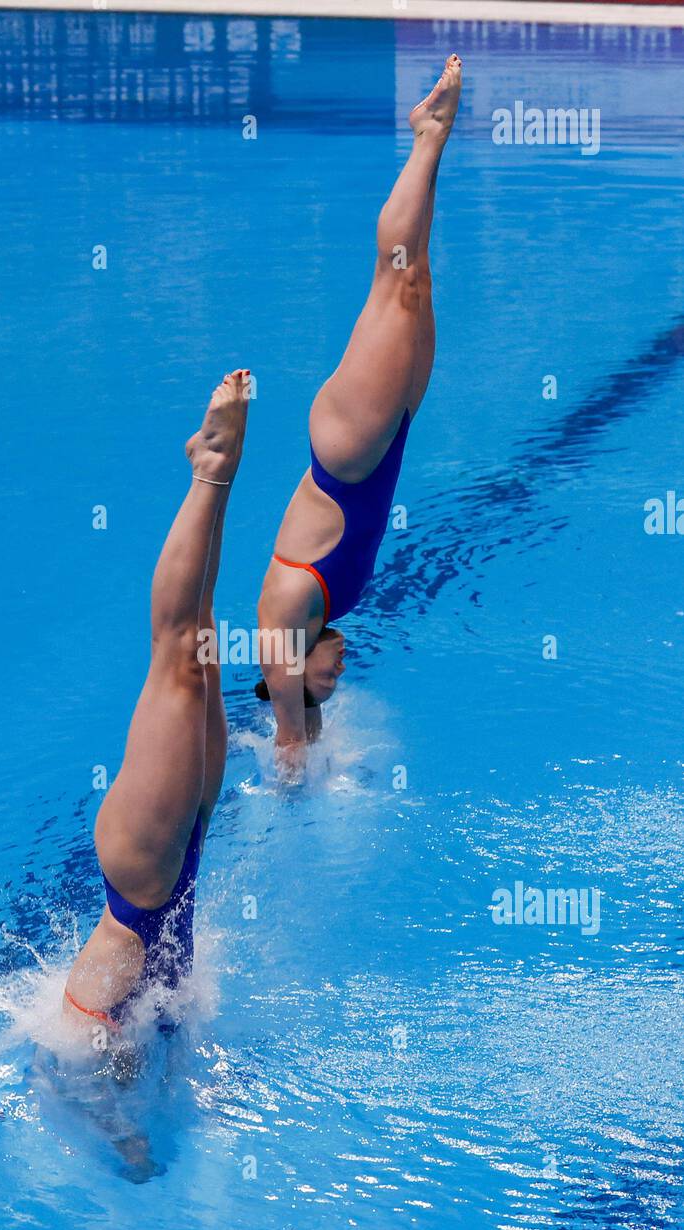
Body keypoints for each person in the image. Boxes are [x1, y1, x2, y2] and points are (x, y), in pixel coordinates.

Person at [255, 56, 462, 769]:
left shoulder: (284, 624)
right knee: (416, 278)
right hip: (383, 444)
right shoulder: (323, 615)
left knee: (394, 279)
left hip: (348, 451)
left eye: (326, 682)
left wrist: (293, 746)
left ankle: (427, 134)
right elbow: (303, 722)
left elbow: (289, 739)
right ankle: (433, 144)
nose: (340, 675)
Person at [63, 369, 250, 1039]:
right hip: (175, 865)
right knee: (196, 643)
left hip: (141, 882)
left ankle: (212, 469)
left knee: (179, 660)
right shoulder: (108, 1049)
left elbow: (84, 1042)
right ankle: (216, 469)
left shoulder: (84, 1045)